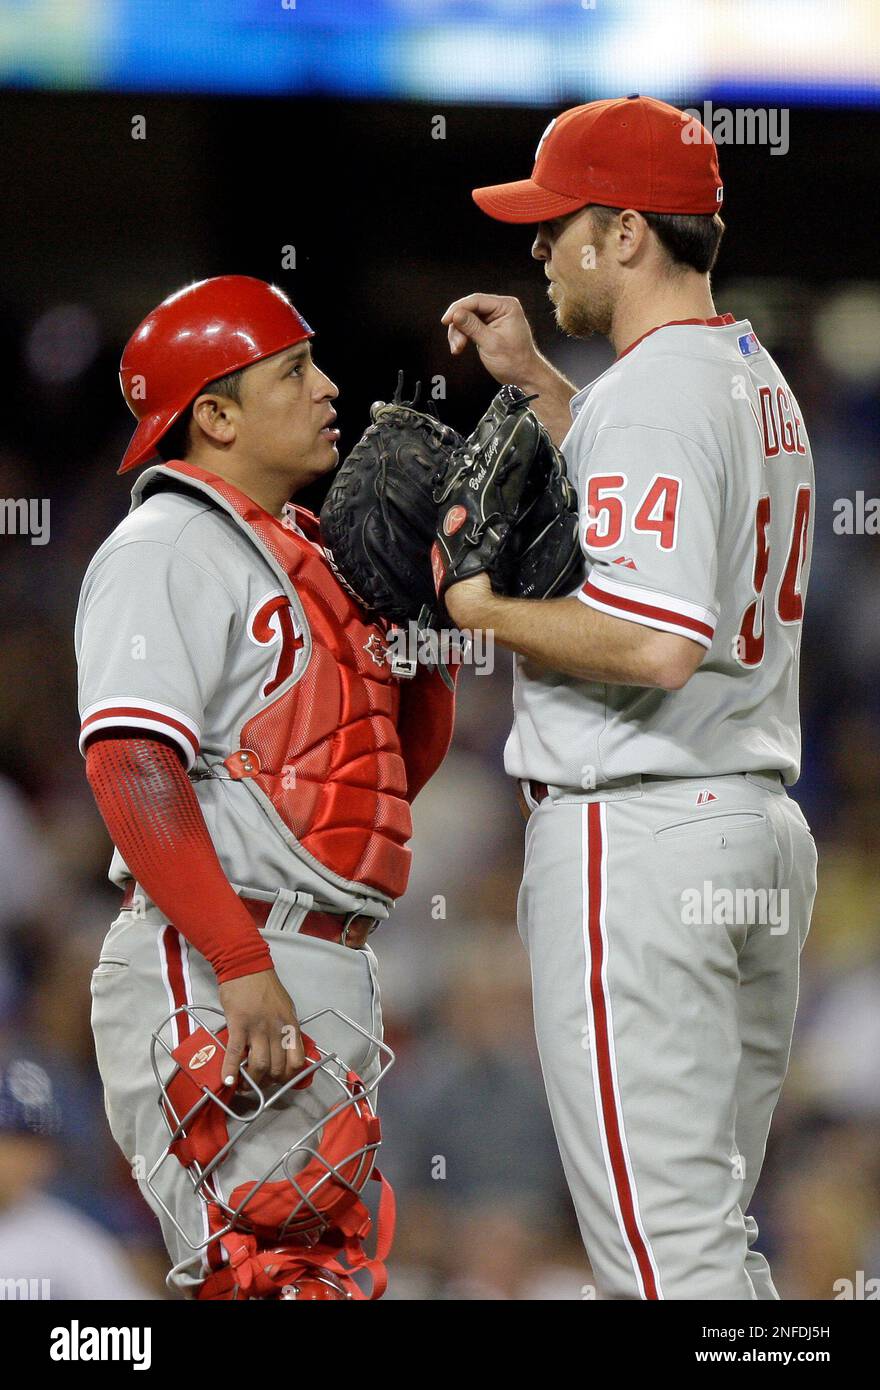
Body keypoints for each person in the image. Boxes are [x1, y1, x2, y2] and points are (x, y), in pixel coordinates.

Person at [440, 96, 817, 1299]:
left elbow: (655, 639)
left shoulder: (655, 393)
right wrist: (550, 390)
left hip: (639, 831)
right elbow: (649, 499)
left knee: (662, 1261)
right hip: (744, 823)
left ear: (626, 233)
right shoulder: (745, 375)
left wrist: (481, 608)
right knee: (701, 1244)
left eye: (559, 224)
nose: (540, 247)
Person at [75, 275, 455, 1298]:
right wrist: (239, 960)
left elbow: (379, 781)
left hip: (318, 955)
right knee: (259, 1274)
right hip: (220, 953)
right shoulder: (167, 544)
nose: (329, 387)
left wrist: (427, 632)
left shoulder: (311, 551)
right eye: (294, 370)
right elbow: (130, 761)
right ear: (214, 415)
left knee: (319, 1278)